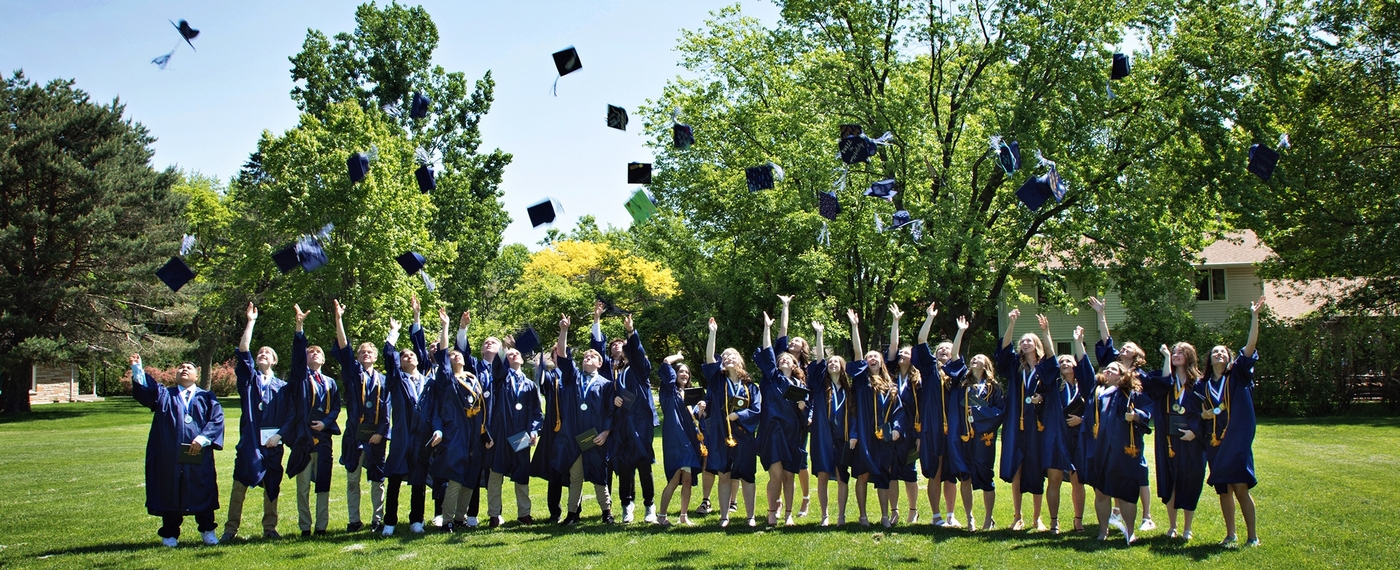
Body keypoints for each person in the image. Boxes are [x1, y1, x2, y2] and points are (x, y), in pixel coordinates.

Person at [131, 354, 225, 547]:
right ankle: (170, 534)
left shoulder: (206, 397)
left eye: (189, 367)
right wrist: (137, 370)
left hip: (198, 454)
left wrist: (203, 438)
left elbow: (217, 419)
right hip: (169, 456)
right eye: (181, 367)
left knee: (202, 489)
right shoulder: (164, 394)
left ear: (196, 376)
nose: (184, 369)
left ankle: (208, 531)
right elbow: (145, 392)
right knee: (170, 492)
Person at [1196, 297, 1265, 547]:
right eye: (1214, 352)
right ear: (1209, 359)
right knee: (1223, 490)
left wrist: (1254, 317)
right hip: (1214, 443)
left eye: (1223, 352)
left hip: (1236, 440)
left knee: (1240, 488)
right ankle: (1230, 534)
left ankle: (1252, 536)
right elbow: (1195, 411)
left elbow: (1250, 346)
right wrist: (1202, 416)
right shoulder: (1202, 385)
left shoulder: (1238, 375)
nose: (1218, 354)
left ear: (1229, 358)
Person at [224, 303, 295, 541]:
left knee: (272, 487)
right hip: (250, 441)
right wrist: (251, 321)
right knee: (239, 486)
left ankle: (270, 528)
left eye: (267, 353)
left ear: (275, 361)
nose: (262, 354)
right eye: (260, 352)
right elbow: (244, 351)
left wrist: (280, 436)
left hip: (273, 443)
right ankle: (230, 530)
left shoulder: (283, 388)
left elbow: (290, 416)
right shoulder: (249, 382)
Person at [1087, 296, 1156, 531]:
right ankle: (1116, 514)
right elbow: (1106, 342)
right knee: (1111, 469)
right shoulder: (1114, 367)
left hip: (1130, 430)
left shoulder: (1139, 376)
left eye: (1129, 348)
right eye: (1122, 347)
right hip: (1109, 429)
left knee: (1139, 469)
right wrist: (1101, 314)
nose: (1123, 349)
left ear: (1136, 355)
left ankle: (1146, 516)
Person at [428, 307, 493, 532]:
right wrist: (447, 326)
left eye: (458, 354)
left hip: (474, 434)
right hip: (455, 432)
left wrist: (485, 434)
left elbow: (482, 408)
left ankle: (460, 517)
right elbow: (444, 350)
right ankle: (446, 520)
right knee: (455, 476)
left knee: (470, 477)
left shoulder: (473, 379)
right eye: (451, 355)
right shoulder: (447, 379)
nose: (455, 355)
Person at [591, 302, 656, 524]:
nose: (622, 346)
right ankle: (627, 505)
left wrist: (631, 331)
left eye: (625, 344)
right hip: (621, 426)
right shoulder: (615, 371)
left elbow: (638, 353)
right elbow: (598, 352)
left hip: (639, 423)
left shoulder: (639, 369)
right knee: (624, 466)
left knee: (644, 465)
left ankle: (650, 506)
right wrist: (616, 399)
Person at [332, 299, 391, 533]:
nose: (365, 354)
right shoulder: (353, 374)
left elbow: (387, 409)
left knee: (378, 480)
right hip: (354, 435)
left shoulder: (383, 380)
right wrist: (339, 319)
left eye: (369, 352)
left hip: (376, 437)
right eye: (362, 352)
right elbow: (344, 347)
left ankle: (378, 519)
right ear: (358, 357)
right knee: (352, 480)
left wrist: (380, 432)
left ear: (375, 357)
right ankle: (354, 520)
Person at [553, 313, 616, 525]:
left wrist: (606, 432)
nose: (587, 359)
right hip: (575, 435)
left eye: (591, 357)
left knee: (599, 475)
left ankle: (606, 512)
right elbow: (562, 355)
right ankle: (572, 514)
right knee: (575, 476)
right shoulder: (573, 378)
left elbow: (610, 411)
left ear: (600, 363)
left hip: (595, 435)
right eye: (585, 357)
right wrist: (564, 331)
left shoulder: (606, 384)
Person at [995, 309, 1055, 532]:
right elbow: (1003, 351)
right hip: (1015, 423)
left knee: (1037, 468)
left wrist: (1046, 332)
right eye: (1023, 341)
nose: (1025, 343)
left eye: (1030, 340)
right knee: (1017, 468)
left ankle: (1037, 518)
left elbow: (1053, 362)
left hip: (1037, 424)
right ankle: (1017, 516)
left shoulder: (1043, 368)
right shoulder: (1014, 367)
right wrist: (1011, 324)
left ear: (1037, 345)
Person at [909, 304, 968, 528]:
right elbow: (921, 340)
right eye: (941, 348)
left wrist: (960, 332)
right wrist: (929, 318)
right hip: (932, 427)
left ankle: (951, 514)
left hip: (953, 428)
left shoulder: (957, 372)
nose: (944, 350)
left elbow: (957, 356)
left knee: (951, 473)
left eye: (948, 348)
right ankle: (936, 515)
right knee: (935, 470)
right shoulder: (929, 369)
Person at [700, 316, 762, 527]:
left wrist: (739, 416)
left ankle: (751, 516)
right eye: (724, 356)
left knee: (746, 476)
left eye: (732, 355)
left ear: (740, 361)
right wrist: (713, 333)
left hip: (743, 436)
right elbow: (709, 357)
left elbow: (757, 408)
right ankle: (724, 516)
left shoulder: (750, 386)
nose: (727, 358)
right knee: (724, 474)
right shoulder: (717, 380)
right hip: (721, 435)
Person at [381, 295, 434, 536]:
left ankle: (417, 521)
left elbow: (421, 347)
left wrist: (416, 317)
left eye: (411, 355)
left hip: (421, 438)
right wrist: (393, 333)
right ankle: (390, 522)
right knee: (394, 479)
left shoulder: (426, 381)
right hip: (402, 437)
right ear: (400, 364)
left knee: (419, 481)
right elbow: (388, 354)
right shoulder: (396, 380)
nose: (409, 357)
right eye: (404, 357)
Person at [846, 308, 904, 529]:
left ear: (881, 362)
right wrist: (854, 327)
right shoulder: (861, 381)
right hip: (864, 434)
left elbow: (898, 411)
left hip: (885, 435)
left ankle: (885, 515)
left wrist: (897, 428)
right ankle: (862, 515)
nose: (871, 358)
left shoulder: (890, 386)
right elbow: (858, 354)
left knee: (884, 474)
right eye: (869, 357)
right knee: (862, 473)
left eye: (875, 356)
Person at [1086, 359, 1154, 545]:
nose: (1108, 371)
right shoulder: (1099, 393)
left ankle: (1130, 532)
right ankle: (1102, 531)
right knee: (1101, 492)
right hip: (1102, 449)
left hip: (1124, 450)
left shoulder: (1132, 394)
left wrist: (1137, 415)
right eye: (1106, 368)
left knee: (1125, 492)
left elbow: (1149, 409)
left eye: (1113, 369)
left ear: (1122, 374)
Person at [1146, 341, 1206, 540]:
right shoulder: (1167, 381)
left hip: (1192, 441)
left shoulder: (1200, 383)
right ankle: (1172, 527)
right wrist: (1165, 358)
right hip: (1168, 440)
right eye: (1174, 352)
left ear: (1189, 356)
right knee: (1169, 481)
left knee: (1190, 482)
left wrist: (1195, 432)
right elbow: (1159, 388)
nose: (1176, 354)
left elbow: (1205, 413)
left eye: (1181, 352)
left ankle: (1187, 528)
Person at [756, 311, 809, 527]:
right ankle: (771, 511)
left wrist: (803, 407)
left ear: (795, 365)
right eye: (782, 358)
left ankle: (788, 514)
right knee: (775, 476)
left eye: (789, 358)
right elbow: (768, 351)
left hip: (792, 433)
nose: (785, 359)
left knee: (789, 476)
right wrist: (767, 329)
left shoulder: (800, 386)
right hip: (772, 432)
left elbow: (807, 414)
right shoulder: (771, 378)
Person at [485, 339, 545, 527]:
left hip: (521, 436)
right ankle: (494, 514)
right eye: (509, 354)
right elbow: (498, 364)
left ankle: (524, 513)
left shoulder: (529, 385)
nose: (513, 354)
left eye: (516, 353)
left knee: (521, 472)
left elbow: (537, 412)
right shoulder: (500, 378)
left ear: (522, 359)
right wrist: (505, 348)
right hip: (501, 433)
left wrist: (535, 430)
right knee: (496, 473)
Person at [945, 347, 1005, 532]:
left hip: (983, 438)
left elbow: (999, 411)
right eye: (973, 358)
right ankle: (969, 517)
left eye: (979, 357)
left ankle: (988, 518)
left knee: (986, 476)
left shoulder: (993, 387)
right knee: (965, 476)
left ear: (986, 365)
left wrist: (978, 411)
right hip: (964, 436)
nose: (974, 359)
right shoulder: (962, 386)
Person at [1042, 326, 1093, 534]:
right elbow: (1050, 358)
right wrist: (1046, 333)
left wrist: (1083, 420)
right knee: (1054, 479)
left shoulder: (1086, 385)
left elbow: (1093, 407)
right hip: (1056, 437)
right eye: (1061, 362)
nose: (1063, 364)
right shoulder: (1053, 385)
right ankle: (1054, 521)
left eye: (1068, 361)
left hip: (1078, 437)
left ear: (1075, 366)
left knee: (1077, 480)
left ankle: (1078, 520)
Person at [294, 305, 340, 537]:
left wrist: (326, 423)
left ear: (323, 359)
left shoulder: (330, 382)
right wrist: (299, 326)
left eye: (318, 353)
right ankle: (305, 526)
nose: (314, 354)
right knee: (302, 486)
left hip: (324, 440)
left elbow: (337, 407)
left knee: (323, 484)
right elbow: (298, 351)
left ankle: (321, 526)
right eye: (310, 352)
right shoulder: (300, 378)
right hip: (303, 439)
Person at [807, 320, 855, 526]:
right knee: (823, 474)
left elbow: (853, 415)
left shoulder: (848, 391)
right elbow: (818, 359)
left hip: (842, 436)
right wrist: (819, 335)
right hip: (822, 436)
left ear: (842, 367)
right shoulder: (820, 387)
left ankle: (841, 516)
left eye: (836, 361)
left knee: (842, 475)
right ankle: (825, 515)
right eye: (830, 362)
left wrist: (853, 434)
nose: (832, 364)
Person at [774, 295, 813, 517]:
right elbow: (782, 330)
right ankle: (778, 502)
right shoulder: (782, 363)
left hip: (801, 418)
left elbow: (813, 396)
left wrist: (810, 413)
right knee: (780, 460)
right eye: (791, 341)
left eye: (797, 341)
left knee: (800, 458)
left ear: (803, 347)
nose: (792, 342)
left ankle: (805, 499)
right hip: (781, 419)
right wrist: (785, 306)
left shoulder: (806, 371)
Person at [655, 352, 703, 526]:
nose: (685, 374)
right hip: (676, 437)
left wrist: (701, 409)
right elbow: (666, 362)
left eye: (687, 373)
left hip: (690, 438)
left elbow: (695, 417)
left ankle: (683, 516)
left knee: (688, 480)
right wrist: (679, 356)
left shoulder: (690, 394)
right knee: (675, 478)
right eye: (681, 371)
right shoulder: (669, 390)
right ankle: (661, 516)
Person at [885, 304, 921, 525]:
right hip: (890, 429)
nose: (901, 355)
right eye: (901, 353)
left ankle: (913, 509)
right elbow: (893, 345)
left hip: (911, 430)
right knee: (891, 471)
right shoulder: (890, 375)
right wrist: (895, 321)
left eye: (906, 353)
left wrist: (919, 434)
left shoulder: (919, 380)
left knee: (909, 470)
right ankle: (894, 510)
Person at [530, 351, 568, 523]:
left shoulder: (574, 376)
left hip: (571, 431)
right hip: (553, 430)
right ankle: (555, 512)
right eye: (556, 354)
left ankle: (575, 509)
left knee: (574, 473)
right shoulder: (551, 376)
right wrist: (540, 366)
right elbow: (542, 382)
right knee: (554, 473)